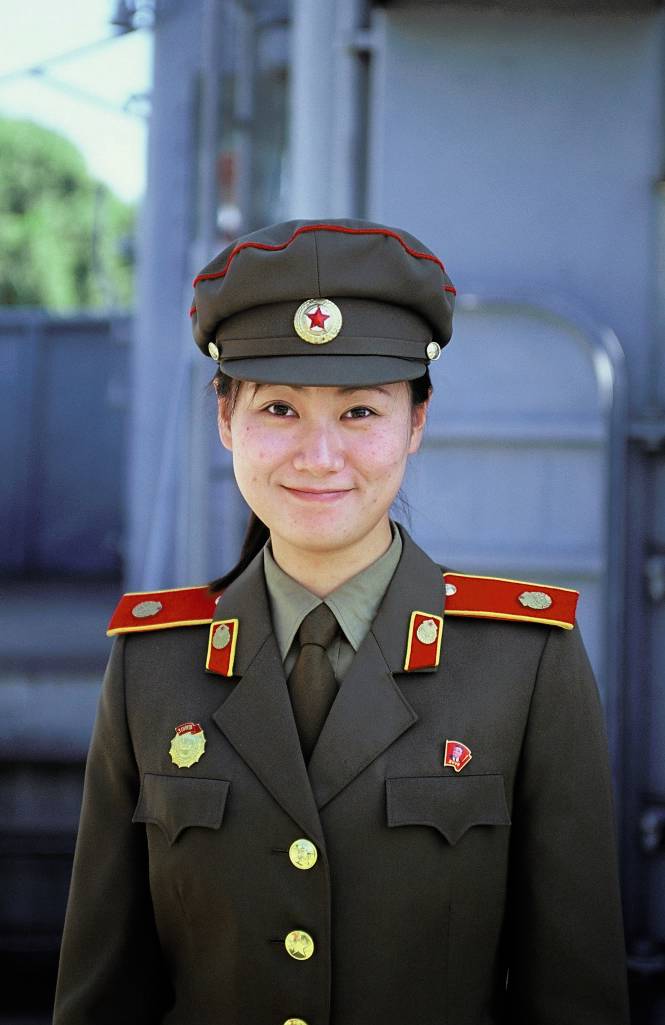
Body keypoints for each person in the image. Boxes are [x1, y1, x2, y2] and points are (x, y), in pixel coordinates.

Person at [53, 218, 630, 1025]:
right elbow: (101, 992)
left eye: (359, 411)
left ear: (416, 423)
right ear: (226, 421)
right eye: (280, 407)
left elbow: (574, 995)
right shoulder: (153, 664)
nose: (318, 456)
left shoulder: (525, 663)